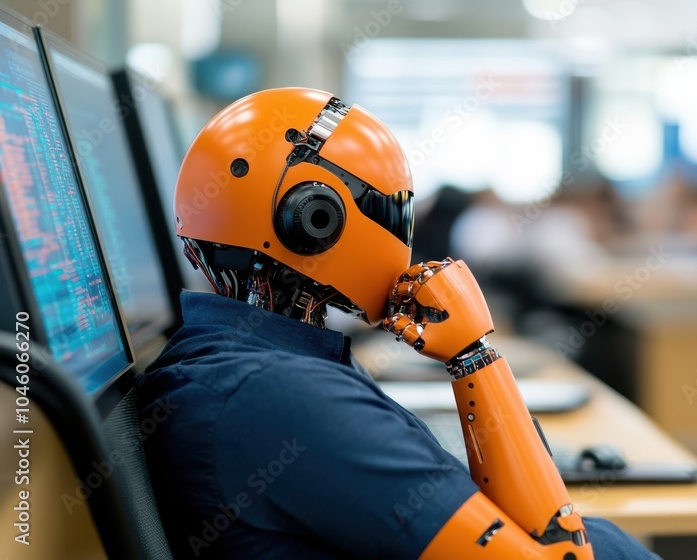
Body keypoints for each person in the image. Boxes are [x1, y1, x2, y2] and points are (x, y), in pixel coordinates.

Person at [137, 88, 658, 559]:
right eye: (392, 212)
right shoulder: (280, 398)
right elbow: (559, 551)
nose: (404, 239)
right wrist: (473, 355)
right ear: (316, 219)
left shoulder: (256, 371)